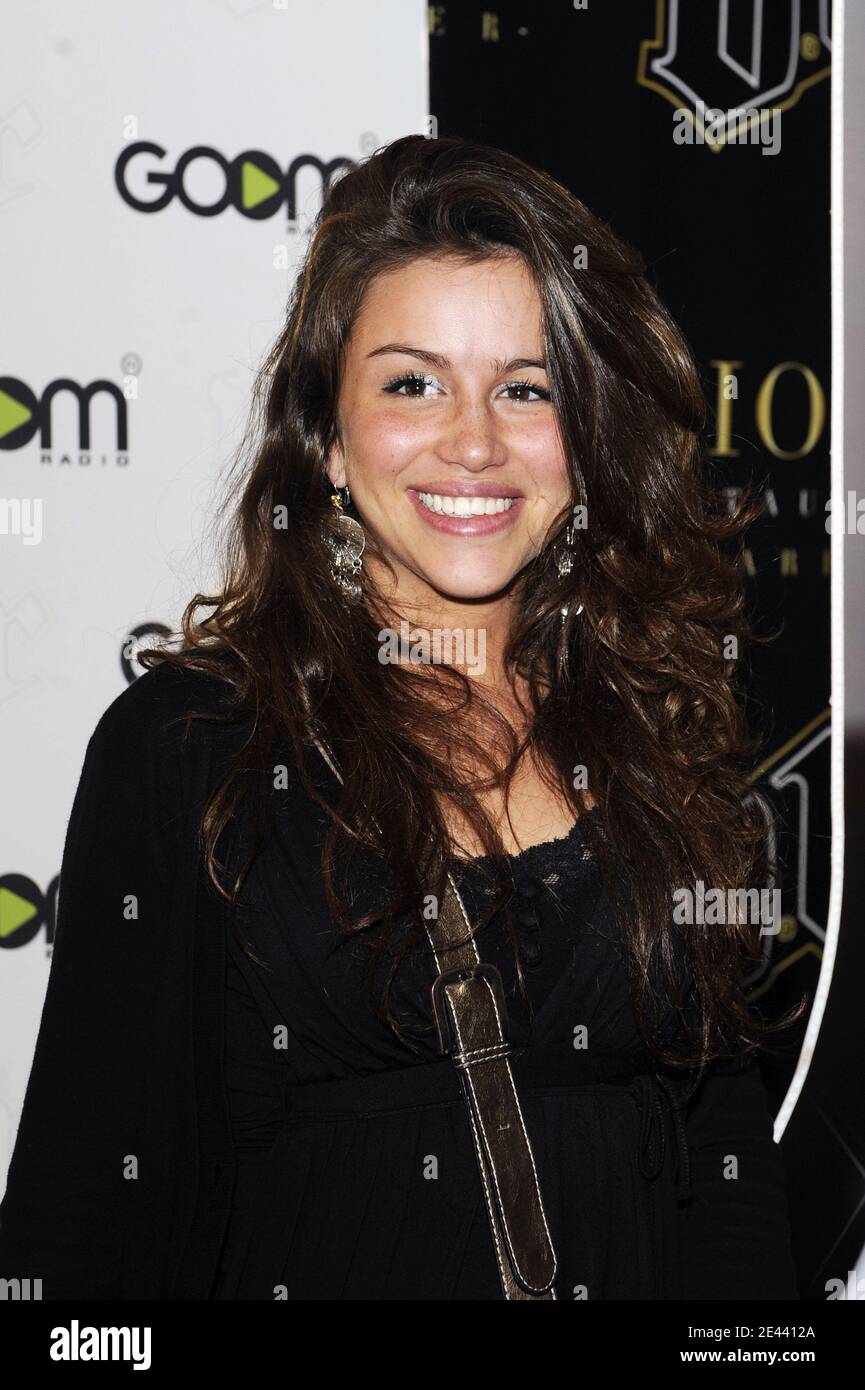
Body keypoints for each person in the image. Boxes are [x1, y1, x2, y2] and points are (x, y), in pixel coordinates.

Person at [0, 134, 801, 1300]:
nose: (473, 442)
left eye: (526, 388)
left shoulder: (654, 730)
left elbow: (723, 1170)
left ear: (588, 436)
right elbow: (79, 1226)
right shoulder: (194, 746)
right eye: (411, 381)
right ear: (326, 437)